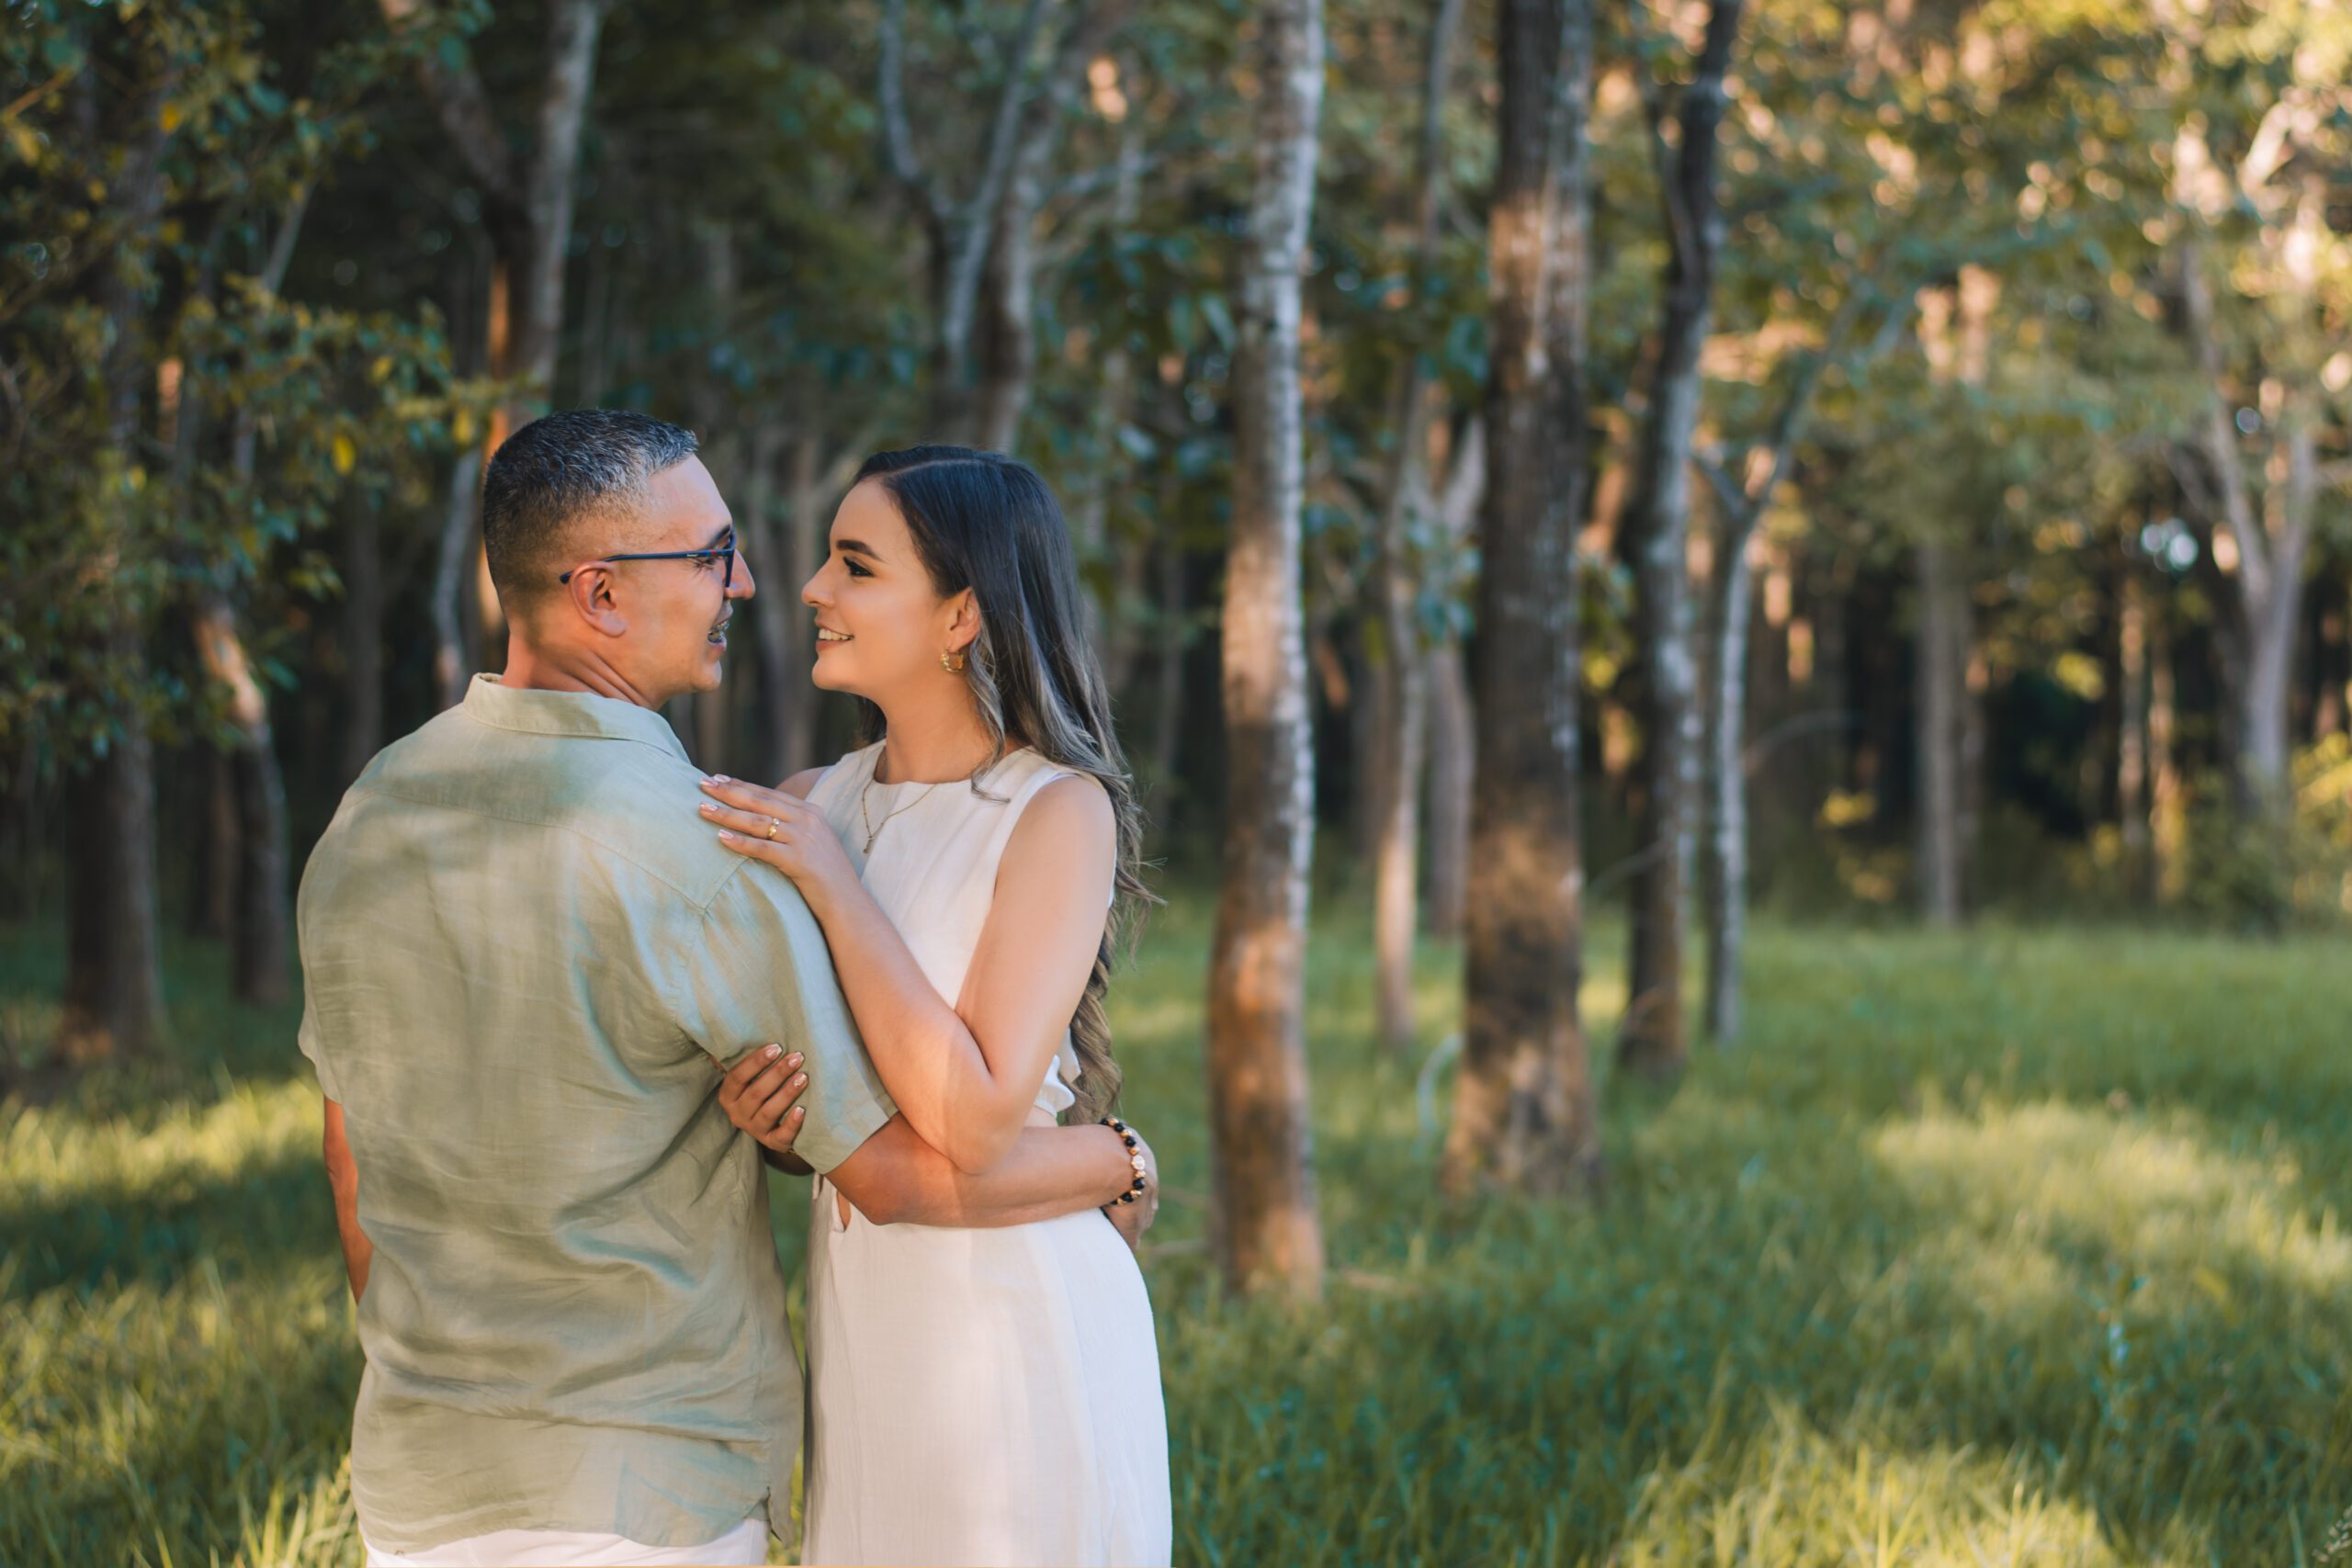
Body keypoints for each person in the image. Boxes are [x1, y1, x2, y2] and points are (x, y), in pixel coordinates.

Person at [295, 411, 1154, 1568]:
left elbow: (352, 1153)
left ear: (961, 614)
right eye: (714, 557)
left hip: (437, 1462)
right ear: (600, 594)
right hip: (726, 1418)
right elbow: (887, 1161)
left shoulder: (369, 814)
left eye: (851, 564)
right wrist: (1121, 1160)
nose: (768, 585)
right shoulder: (755, 829)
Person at [694, 446, 1174, 1566]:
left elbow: (971, 1118)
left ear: (961, 615)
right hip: (869, 1318)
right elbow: (839, 1113)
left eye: (855, 565)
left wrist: (828, 878)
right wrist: (771, 1121)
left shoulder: (1054, 812)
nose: (813, 589)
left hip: (1020, 1312)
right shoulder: (816, 803)